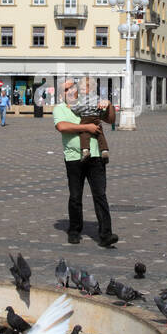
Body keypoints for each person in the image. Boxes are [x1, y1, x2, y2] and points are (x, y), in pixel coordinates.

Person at [54, 77, 117, 247]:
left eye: (72, 88)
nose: (70, 91)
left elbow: (110, 120)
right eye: (66, 90)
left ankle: (106, 234)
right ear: (62, 94)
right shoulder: (60, 108)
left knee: (100, 195)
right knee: (75, 196)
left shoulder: (89, 103)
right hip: (74, 158)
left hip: (96, 156)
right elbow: (62, 127)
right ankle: (74, 230)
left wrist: (108, 104)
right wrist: (86, 128)